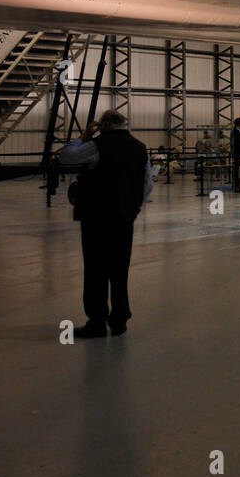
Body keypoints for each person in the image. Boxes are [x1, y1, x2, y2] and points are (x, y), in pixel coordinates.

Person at [59, 110, 152, 338]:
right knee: (120, 271)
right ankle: (119, 321)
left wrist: (83, 137)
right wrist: (133, 207)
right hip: (124, 218)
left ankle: (97, 322)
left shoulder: (97, 145)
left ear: (105, 124)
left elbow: (66, 156)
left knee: (96, 270)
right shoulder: (140, 148)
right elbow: (147, 184)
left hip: (96, 218)